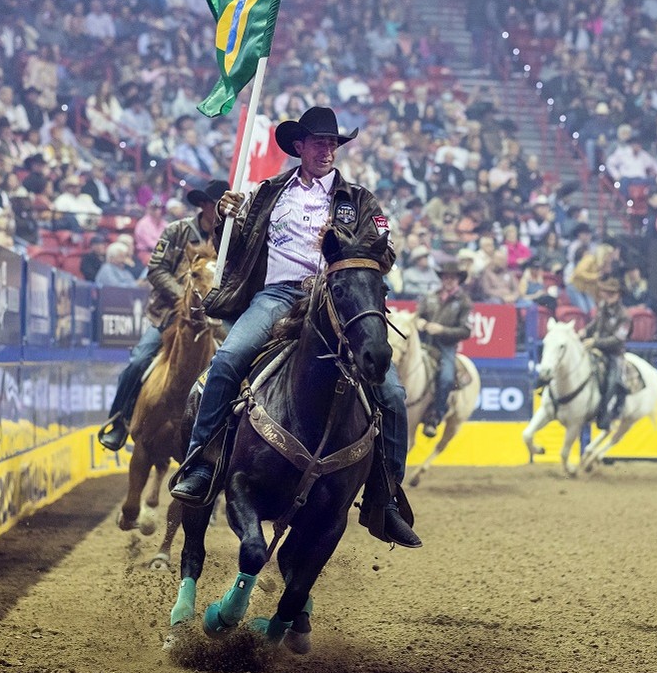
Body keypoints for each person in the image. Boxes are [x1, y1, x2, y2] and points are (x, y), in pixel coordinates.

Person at [169, 106, 421, 548]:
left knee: (394, 394)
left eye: (333, 143)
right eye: (319, 142)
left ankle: (386, 498)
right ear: (299, 146)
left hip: (337, 301)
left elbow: (385, 249)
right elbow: (233, 246)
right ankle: (202, 464)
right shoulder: (267, 192)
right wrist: (226, 218)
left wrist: (351, 244)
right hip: (278, 295)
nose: (327, 150)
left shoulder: (361, 200)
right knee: (227, 361)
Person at [97, 179, 229, 451]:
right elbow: (156, 270)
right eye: (219, 204)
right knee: (139, 361)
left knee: (237, 365)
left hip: (214, 319)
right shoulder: (176, 231)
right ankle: (120, 420)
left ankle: (228, 438)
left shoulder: (229, 238)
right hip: (168, 315)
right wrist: (185, 296)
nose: (225, 209)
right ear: (204, 205)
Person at [417, 259, 473, 438]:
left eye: (452, 278)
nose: (449, 280)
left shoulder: (463, 301)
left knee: (447, 377)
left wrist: (442, 330)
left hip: (446, 346)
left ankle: (435, 415)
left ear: (458, 280)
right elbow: (418, 316)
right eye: (446, 277)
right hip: (424, 341)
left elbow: (465, 330)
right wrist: (419, 322)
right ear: (442, 278)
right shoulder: (430, 296)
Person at [579, 277, 631, 430]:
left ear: (617, 295)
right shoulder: (602, 308)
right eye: (606, 292)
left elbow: (617, 339)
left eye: (611, 293)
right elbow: (594, 324)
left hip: (614, 353)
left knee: (612, 382)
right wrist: (584, 332)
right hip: (596, 349)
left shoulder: (625, 316)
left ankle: (605, 414)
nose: (607, 296)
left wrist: (595, 342)